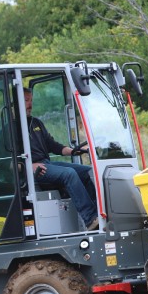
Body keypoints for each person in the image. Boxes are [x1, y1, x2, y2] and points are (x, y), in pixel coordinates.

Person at [23, 87, 99, 231]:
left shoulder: (36, 123)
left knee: (87, 172)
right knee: (68, 173)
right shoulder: (10, 128)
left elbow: (53, 145)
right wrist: (28, 165)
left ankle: (97, 216)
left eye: (31, 100)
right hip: (32, 171)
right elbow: (7, 161)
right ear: (17, 102)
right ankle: (90, 219)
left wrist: (75, 151)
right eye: (26, 100)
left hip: (46, 164)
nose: (30, 104)